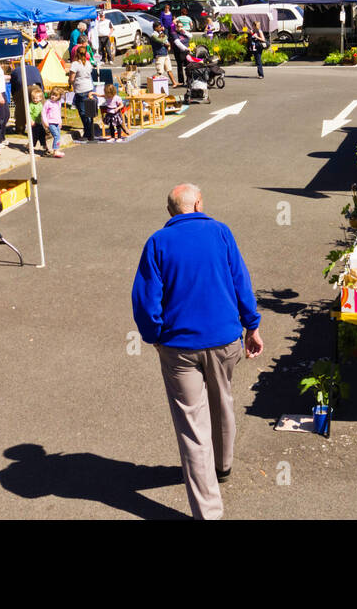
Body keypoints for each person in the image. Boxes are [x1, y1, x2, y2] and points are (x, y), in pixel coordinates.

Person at [131, 183, 263, 520]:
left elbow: (147, 301)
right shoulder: (220, 232)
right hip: (224, 340)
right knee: (223, 402)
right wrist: (252, 325)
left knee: (192, 425)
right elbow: (240, 281)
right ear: (199, 203)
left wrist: (154, 335)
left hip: (179, 346)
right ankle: (223, 464)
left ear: (170, 211)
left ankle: (208, 511)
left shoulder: (158, 243)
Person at [66, 47, 97, 142]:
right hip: (89, 87)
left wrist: (69, 82)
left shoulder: (75, 64)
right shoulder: (88, 63)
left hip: (80, 89)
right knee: (89, 111)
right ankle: (90, 132)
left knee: (82, 112)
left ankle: (87, 132)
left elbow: (72, 78)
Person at [10, 60, 44, 134]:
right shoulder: (34, 68)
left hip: (23, 88)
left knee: (21, 110)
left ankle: (20, 129)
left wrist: (16, 100)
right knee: (41, 109)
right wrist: (42, 92)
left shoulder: (15, 71)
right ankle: (46, 131)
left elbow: (13, 87)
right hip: (37, 87)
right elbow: (41, 81)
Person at [42, 88, 65, 158]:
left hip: (57, 122)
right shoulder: (48, 102)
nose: (53, 96)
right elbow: (43, 113)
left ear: (59, 97)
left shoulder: (58, 103)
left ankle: (57, 149)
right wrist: (45, 122)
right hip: (51, 122)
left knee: (58, 136)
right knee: (56, 136)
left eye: (55, 95)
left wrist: (60, 122)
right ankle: (55, 151)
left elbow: (58, 113)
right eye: (52, 94)